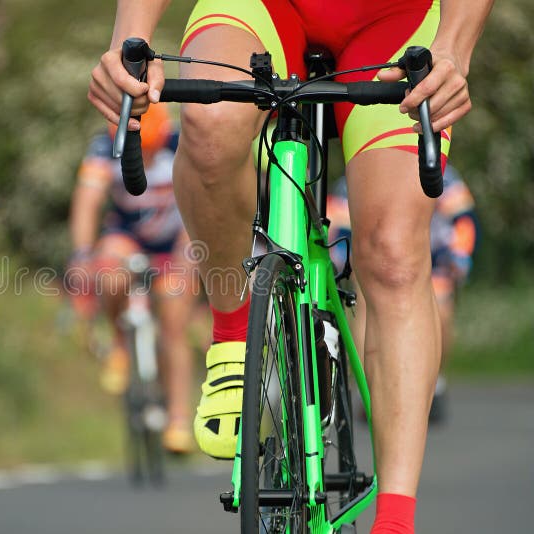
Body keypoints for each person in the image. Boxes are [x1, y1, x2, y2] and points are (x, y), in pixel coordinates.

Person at [88, 0, 493, 532]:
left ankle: (395, 520)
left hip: (397, 18)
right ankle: (234, 334)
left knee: (394, 253)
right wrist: (129, 41)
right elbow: (134, 48)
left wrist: (454, 48)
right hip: (262, 7)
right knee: (209, 129)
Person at [67, 102, 196, 454]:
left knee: (173, 319)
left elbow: (200, 205)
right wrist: (81, 255)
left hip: (174, 239)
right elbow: (87, 202)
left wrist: (188, 257)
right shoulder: (102, 148)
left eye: (150, 151)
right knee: (108, 270)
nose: (145, 159)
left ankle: (179, 419)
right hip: (127, 235)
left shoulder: (179, 144)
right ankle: (120, 343)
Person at [327, 165, 479, 423]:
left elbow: (464, 220)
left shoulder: (444, 175)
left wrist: (459, 256)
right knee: (365, 307)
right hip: (377, 262)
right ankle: (371, 388)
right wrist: (344, 263)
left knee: (440, 309)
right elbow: (337, 228)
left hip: (433, 260)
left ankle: (433, 381)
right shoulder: (352, 179)